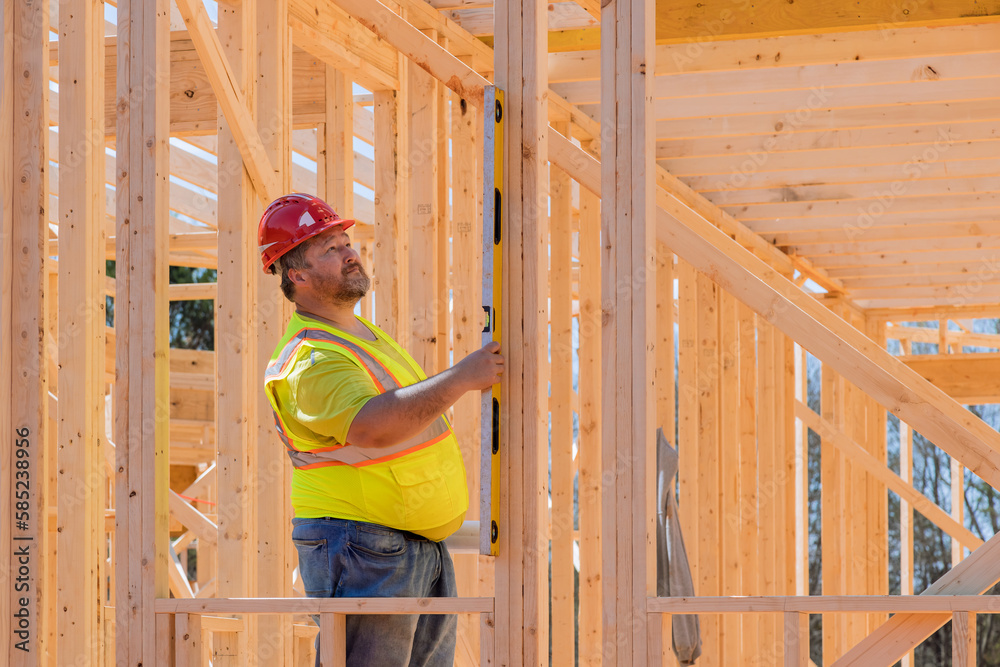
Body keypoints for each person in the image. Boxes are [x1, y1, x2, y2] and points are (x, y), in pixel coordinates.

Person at [260, 193, 503, 666]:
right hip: (362, 546)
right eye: (328, 247)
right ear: (298, 276)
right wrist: (462, 378)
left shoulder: (359, 337)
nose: (350, 252)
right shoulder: (310, 359)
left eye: (345, 241)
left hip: (402, 547)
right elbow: (371, 427)